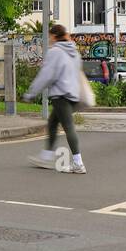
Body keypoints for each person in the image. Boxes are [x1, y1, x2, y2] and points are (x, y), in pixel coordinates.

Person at [23, 23, 87, 174]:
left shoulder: (55, 52)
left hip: (61, 94)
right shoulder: (74, 53)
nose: (49, 39)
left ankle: (78, 163)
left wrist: (31, 93)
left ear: (53, 36)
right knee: (52, 123)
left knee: (68, 127)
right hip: (72, 94)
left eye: (50, 36)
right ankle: (46, 157)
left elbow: (47, 75)